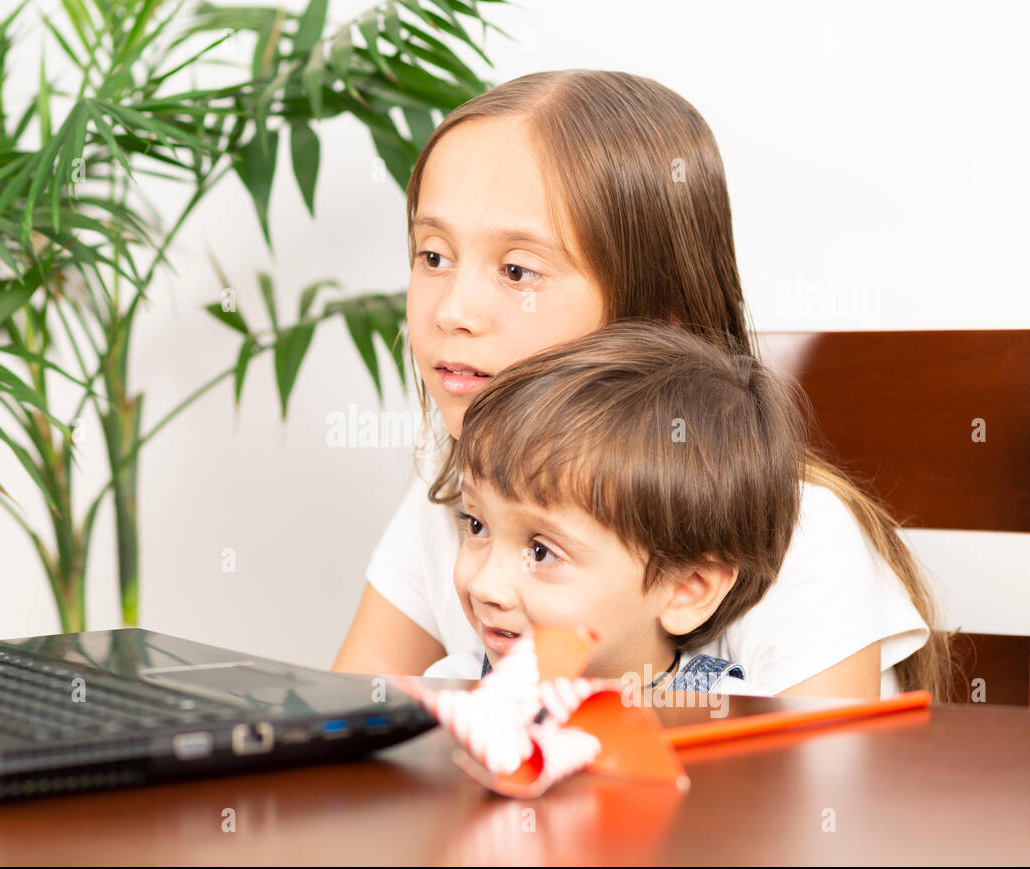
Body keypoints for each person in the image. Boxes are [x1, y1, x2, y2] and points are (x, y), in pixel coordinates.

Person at [331, 69, 952, 699]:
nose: (452, 310)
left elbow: (817, 791)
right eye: (433, 255)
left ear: (656, 319)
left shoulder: (803, 537)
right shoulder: (461, 492)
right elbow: (348, 720)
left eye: (518, 271)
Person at [426, 318, 809, 696]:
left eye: (542, 552)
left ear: (685, 590)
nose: (485, 585)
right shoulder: (452, 688)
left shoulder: (729, 714)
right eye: (477, 526)